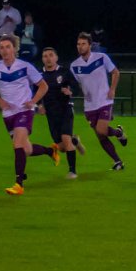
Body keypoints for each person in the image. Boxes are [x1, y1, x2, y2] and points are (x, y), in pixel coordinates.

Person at [0, 33, 53, 195]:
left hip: (24, 111)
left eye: (8, 47)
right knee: (26, 149)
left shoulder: (25, 66)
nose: (5, 50)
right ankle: (51, 151)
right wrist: (0, 102)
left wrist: (33, 101)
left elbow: (43, 86)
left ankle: (19, 183)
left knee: (17, 145)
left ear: (15, 49)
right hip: (8, 115)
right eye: (2, 47)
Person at [71, 33, 129, 169]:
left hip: (104, 100)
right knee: (100, 136)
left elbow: (115, 72)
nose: (80, 47)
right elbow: (78, 84)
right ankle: (118, 161)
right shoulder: (74, 66)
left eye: (83, 44)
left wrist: (112, 89)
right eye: (78, 44)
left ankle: (119, 134)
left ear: (90, 45)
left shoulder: (101, 58)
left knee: (102, 130)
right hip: (89, 105)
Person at [37, 48, 83, 179]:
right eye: (45, 56)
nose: (48, 58)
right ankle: (75, 141)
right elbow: (35, 93)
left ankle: (72, 171)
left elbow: (76, 88)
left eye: (51, 55)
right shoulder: (39, 76)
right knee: (62, 147)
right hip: (51, 114)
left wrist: (70, 91)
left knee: (65, 139)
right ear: (42, 59)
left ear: (56, 58)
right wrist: (39, 105)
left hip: (65, 110)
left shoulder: (64, 72)